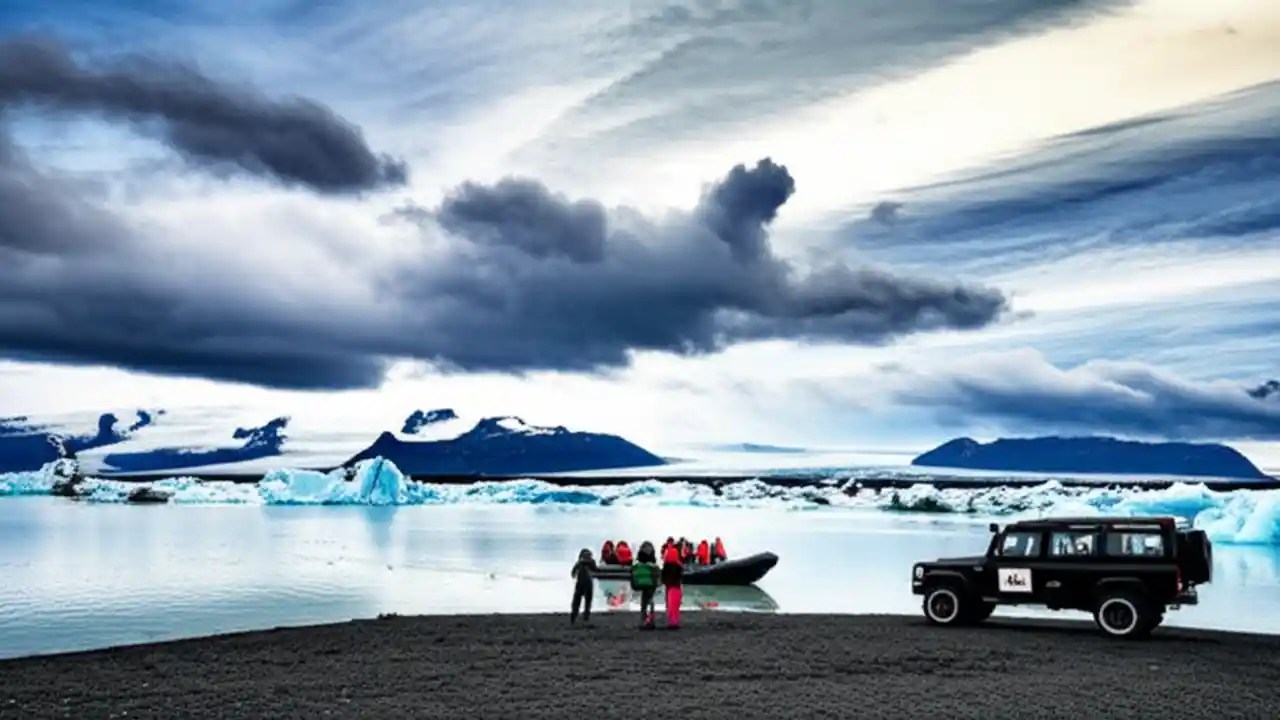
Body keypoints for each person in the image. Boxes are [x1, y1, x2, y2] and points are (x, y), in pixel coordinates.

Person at [630, 541, 660, 629]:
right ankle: (649, 620)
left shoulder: (640, 558)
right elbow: (655, 568)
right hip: (650, 581)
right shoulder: (653, 563)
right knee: (649, 600)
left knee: (644, 601)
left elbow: (636, 567)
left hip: (643, 581)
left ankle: (644, 620)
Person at [570, 548, 597, 624]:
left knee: (577, 600)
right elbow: (596, 570)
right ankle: (586, 615)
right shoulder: (591, 562)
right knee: (588, 601)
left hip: (580, 583)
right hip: (588, 583)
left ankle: (574, 614)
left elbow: (573, 573)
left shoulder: (579, 562)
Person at [662, 543, 684, 629]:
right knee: (675, 605)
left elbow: (663, 577)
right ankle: (674, 622)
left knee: (669, 605)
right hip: (676, 586)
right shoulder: (678, 566)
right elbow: (680, 576)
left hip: (668, 586)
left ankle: (670, 621)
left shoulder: (665, 566)